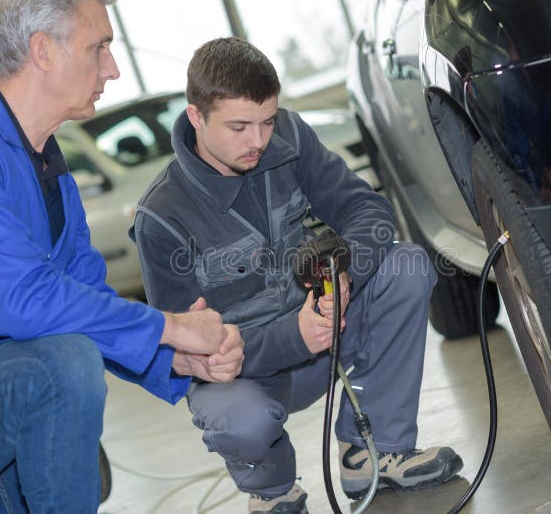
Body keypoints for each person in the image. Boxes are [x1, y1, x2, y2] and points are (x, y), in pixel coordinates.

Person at [0, 0, 243, 512]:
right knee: (62, 367)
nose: (112, 69)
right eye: (99, 47)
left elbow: (85, 296)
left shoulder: (47, 166)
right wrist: (172, 326)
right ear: (43, 50)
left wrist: (177, 358)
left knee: (68, 371)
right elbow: (23, 301)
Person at [132, 36, 463, 514]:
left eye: (266, 121)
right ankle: (273, 493)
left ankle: (370, 452)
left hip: (331, 333)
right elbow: (187, 351)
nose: (258, 142)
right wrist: (295, 337)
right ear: (196, 117)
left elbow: (367, 209)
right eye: (239, 126)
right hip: (248, 376)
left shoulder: (288, 137)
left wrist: (344, 271)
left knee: (405, 265)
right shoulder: (162, 216)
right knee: (236, 416)